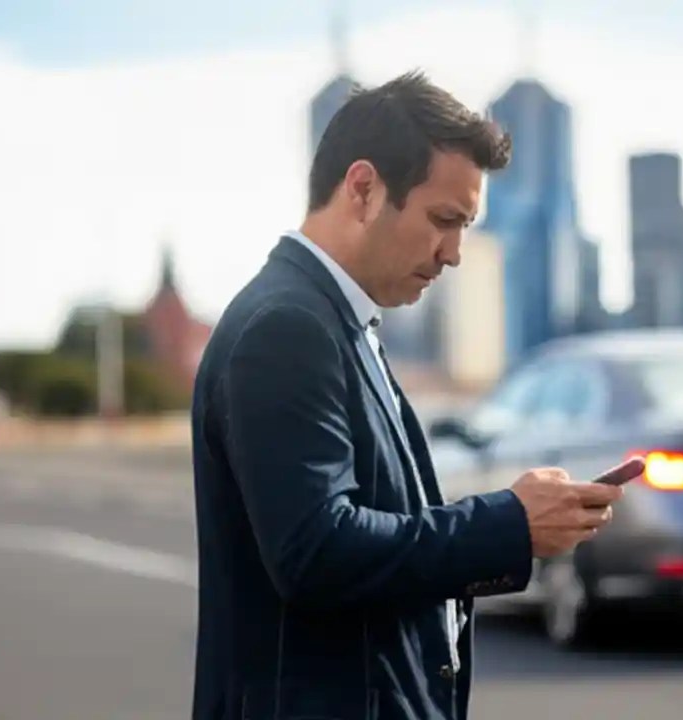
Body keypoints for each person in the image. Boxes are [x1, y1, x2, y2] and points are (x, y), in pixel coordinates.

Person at [190, 70, 640, 720]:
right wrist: (507, 523)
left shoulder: (338, 321)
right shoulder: (288, 326)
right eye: (443, 220)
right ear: (365, 189)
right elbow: (317, 552)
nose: (455, 253)